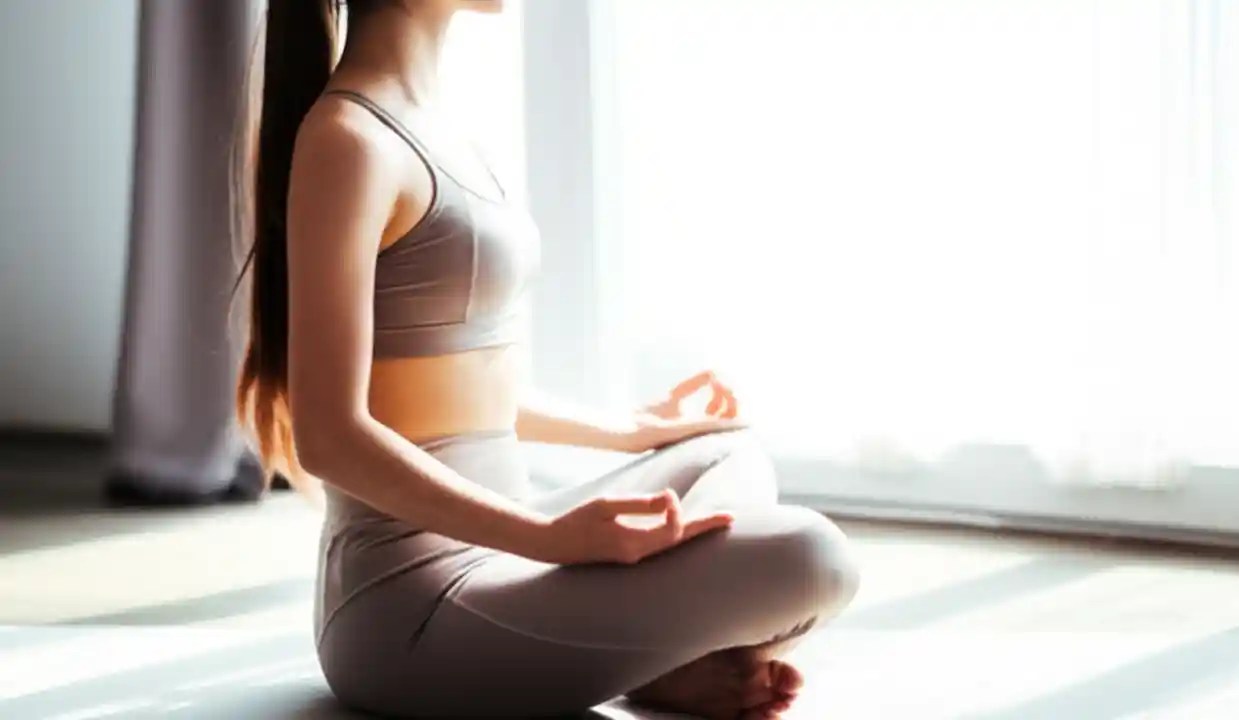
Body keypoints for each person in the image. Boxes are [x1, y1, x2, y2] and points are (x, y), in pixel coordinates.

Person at [233, 1, 859, 717]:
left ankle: (641, 661)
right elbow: (330, 435)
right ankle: (653, 663)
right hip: (410, 607)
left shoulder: (433, 121)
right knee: (815, 556)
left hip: (509, 544)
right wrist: (549, 539)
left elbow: (451, 390)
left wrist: (629, 431)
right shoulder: (347, 139)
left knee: (730, 454)